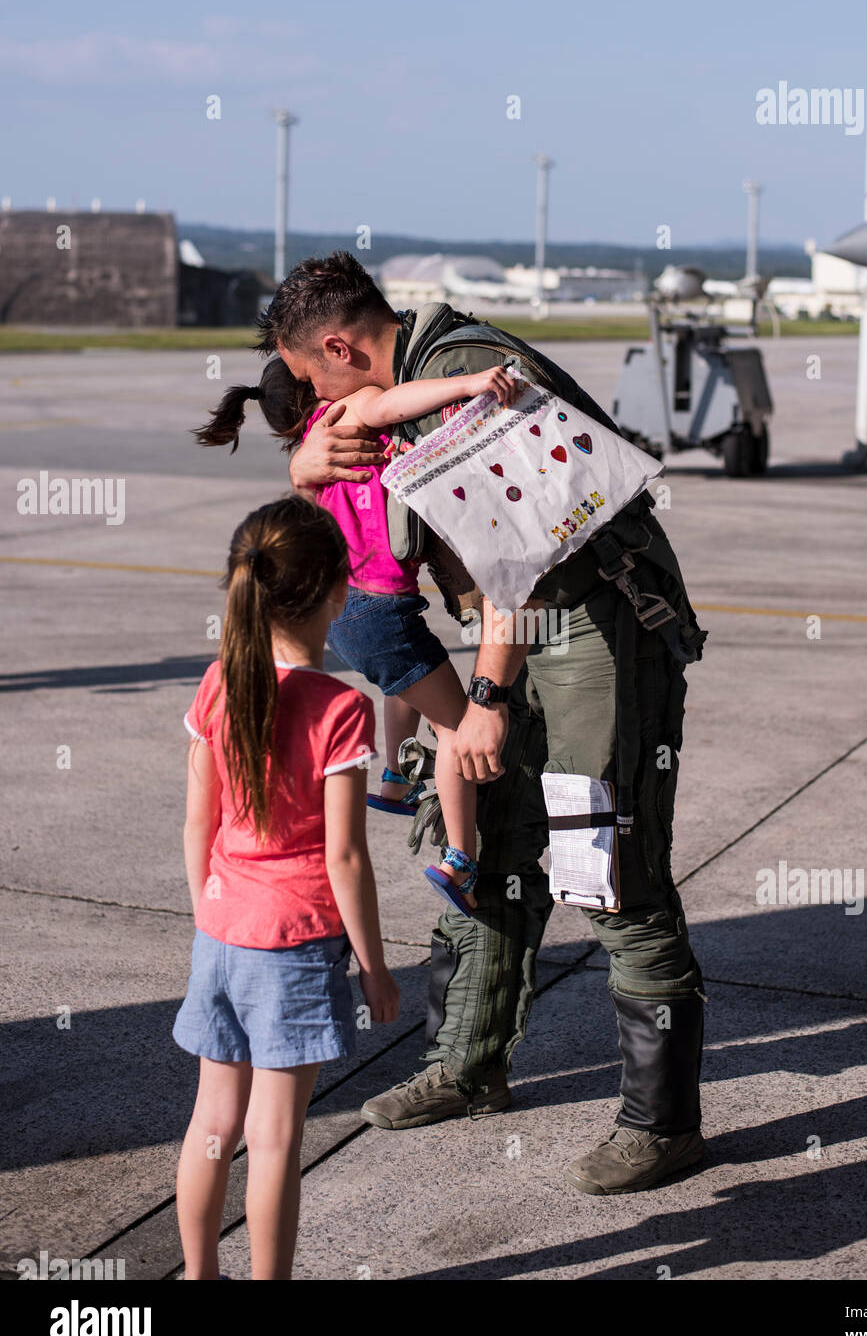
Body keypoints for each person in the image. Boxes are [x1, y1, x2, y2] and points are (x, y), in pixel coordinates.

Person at [259, 251, 709, 1196]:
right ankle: (468, 1066)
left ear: (340, 345)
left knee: (603, 851)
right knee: (485, 839)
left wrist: (490, 705)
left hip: (589, 629)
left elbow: (521, 564)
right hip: (511, 631)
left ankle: (660, 1124)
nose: (319, 405)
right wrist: (305, 466)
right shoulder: (404, 387)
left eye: (313, 384)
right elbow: (360, 532)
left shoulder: (467, 376)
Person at [194, 360, 521, 914]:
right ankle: (460, 860)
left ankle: (394, 777)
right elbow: (395, 403)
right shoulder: (346, 410)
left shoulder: (312, 452)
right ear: (314, 384)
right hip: (378, 610)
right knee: (456, 726)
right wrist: (470, 383)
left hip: (346, 613)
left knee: (407, 679)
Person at [173, 493, 398, 1279]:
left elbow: (197, 827)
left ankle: (200, 1275)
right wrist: (373, 966)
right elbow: (346, 858)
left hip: (222, 931)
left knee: (212, 1124)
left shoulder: (215, 684)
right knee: (274, 1139)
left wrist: (210, 907)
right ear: (338, 594)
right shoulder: (340, 707)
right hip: (295, 946)